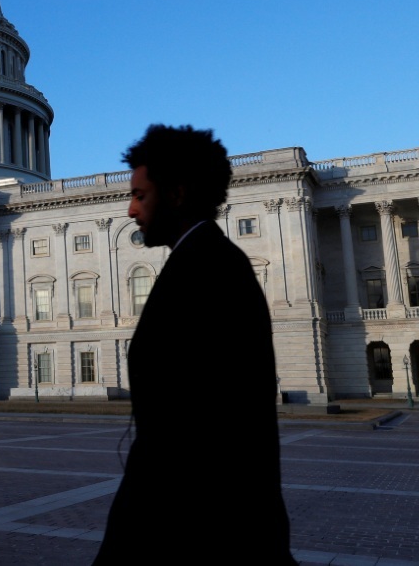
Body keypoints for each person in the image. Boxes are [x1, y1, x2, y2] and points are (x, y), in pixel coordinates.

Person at [93, 124, 296, 564]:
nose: (130, 210)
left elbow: (199, 431)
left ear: (178, 194)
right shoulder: (202, 261)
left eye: (141, 196)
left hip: (198, 527)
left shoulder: (206, 272)